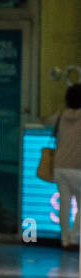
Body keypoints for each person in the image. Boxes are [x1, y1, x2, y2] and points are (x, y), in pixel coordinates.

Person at [50, 83, 81, 250]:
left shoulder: (61, 115)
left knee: (65, 204)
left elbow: (45, 121)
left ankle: (64, 240)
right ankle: (74, 238)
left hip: (60, 166)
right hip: (78, 166)